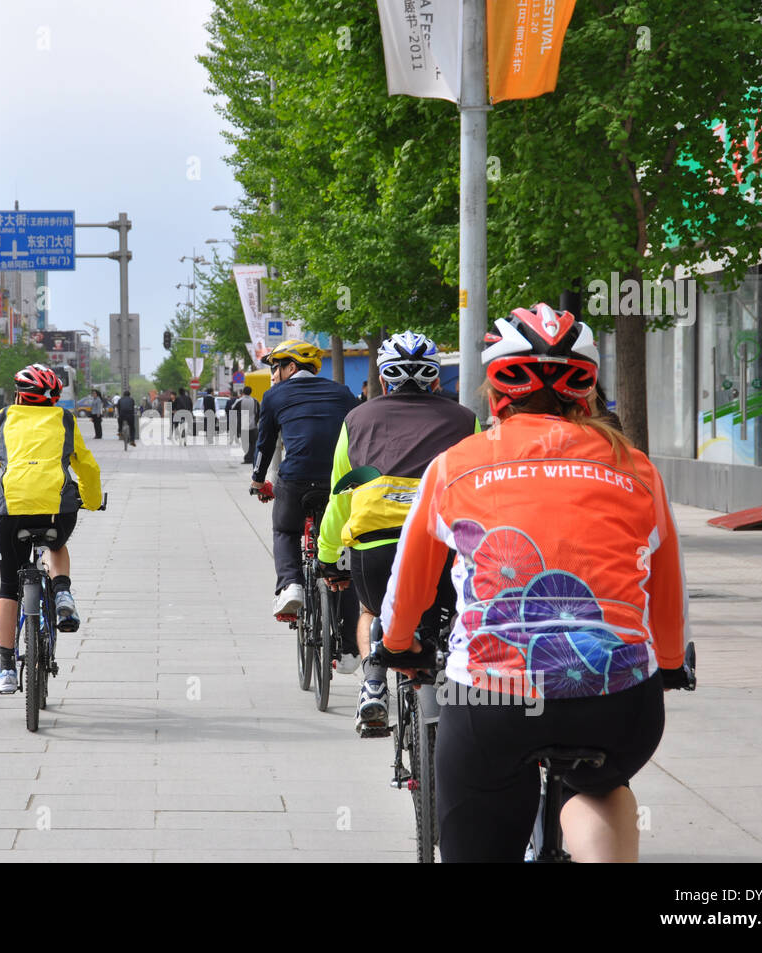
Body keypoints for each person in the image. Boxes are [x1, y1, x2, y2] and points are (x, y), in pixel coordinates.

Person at [377, 303, 691, 862]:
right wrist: (668, 664)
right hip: (619, 697)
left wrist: (397, 644)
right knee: (598, 786)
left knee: (479, 826)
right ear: (586, 390)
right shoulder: (637, 467)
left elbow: (409, 583)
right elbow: (664, 590)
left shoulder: (454, 464)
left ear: (498, 391)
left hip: (491, 694)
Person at [315, 333, 477, 735]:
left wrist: (327, 554)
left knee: (373, 609)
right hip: (441, 539)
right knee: (451, 615)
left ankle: (373, 685)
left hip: (376, 540)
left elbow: (341, 494)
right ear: (437, 380)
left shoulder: (357, 419)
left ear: (383, 383)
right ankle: (454, 686)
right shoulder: (464, 418)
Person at [0, 364, 102, 696]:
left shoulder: (3, 417)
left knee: (8, 586)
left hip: (12, 510)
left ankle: (5, 670)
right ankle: (61, 593)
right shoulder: (65, 420)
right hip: (56, 510)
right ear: (54, 399)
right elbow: (85, 464)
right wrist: (92, 499)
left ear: (18, 395)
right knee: (55, 544)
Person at [250, 339, 362, 671]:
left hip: (295, 481)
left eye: (276, 367)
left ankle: (290, 585)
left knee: (285, 529)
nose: (272, 375)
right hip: (337, 483)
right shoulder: (343, 393)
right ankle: (349, 647)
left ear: (292, 367)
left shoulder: (273, 397)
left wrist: (258, 481)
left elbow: (265, 443)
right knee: (341, 552)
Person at [234, 385, 259, 464]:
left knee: (246, 442)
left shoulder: (239, 401)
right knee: (253, 442)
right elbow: (259, 412)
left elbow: (232, 409)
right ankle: (250, 457)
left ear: (243, 392)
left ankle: (248, 458)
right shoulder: (255, 401)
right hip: (253, 425)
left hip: (243, 424)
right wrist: (256, 421)